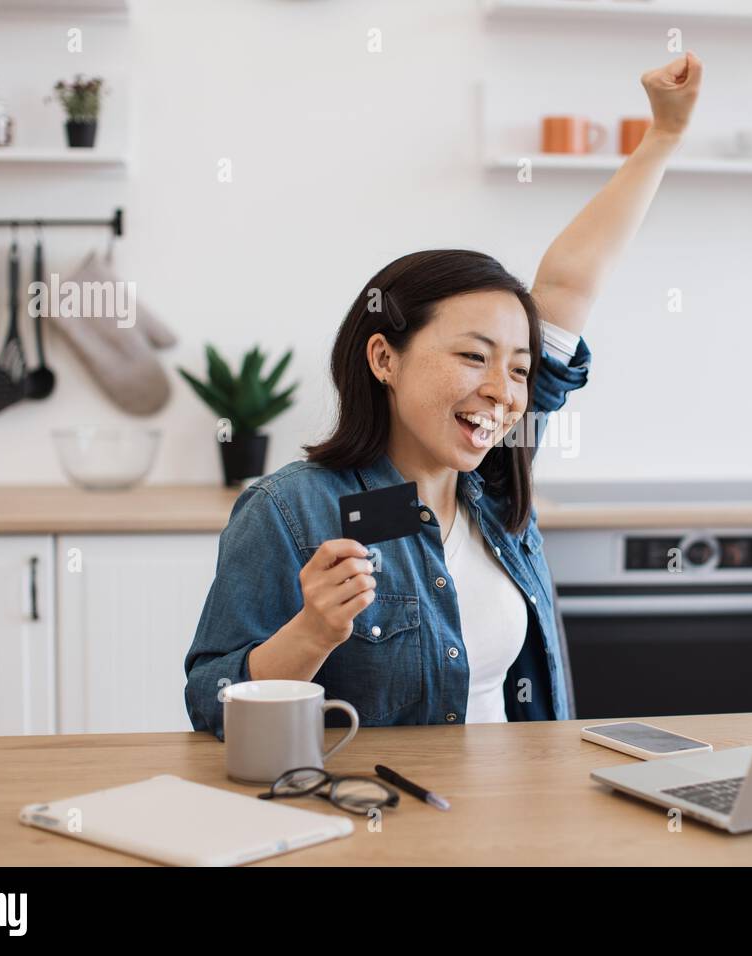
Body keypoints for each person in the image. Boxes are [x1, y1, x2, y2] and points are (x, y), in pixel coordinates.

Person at [185, 53, 703, 738]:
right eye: (471, 356)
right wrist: (312, 633)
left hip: (521, 818)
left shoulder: (496, 480)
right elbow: (209, 704)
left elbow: (570, 287)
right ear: (383, 358)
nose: (502, 392)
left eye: (519, 369)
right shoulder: (293, 510)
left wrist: (662, 136)